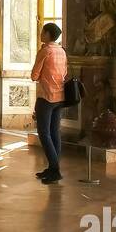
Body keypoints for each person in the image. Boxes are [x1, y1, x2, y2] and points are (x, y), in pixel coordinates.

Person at [31, 21, 68, 183]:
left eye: (42, 32)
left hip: (46, 97)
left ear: (47, 35)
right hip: (60, 96)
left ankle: (55, 169)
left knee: (44, 133)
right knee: (54, 133)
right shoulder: (61, 51)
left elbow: (34, 75)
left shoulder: (45, 51)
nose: (40, 34)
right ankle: (53, 168)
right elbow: (65, 72)